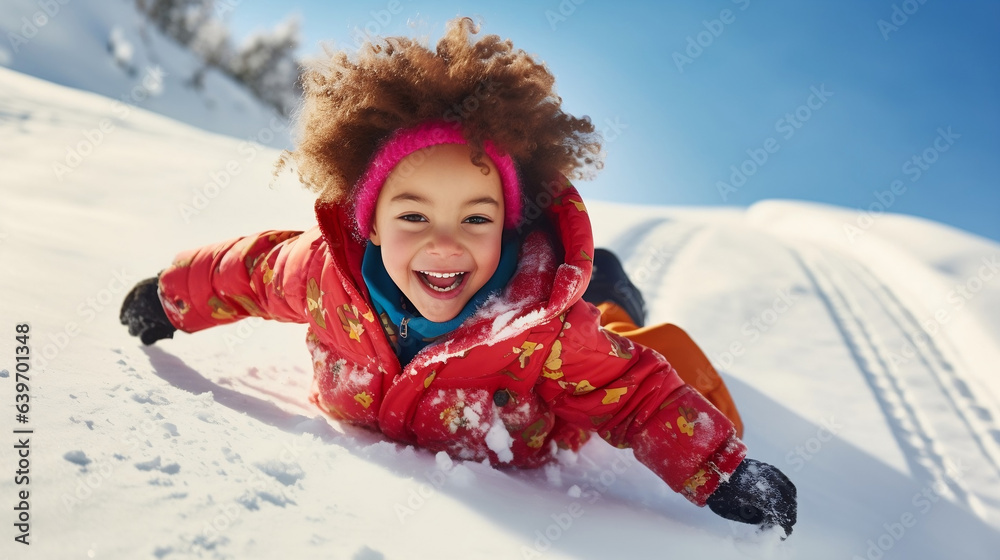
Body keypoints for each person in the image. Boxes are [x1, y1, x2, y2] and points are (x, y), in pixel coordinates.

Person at [120, 17, 796, 536]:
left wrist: (722, 471)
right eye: (414, 215)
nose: (445, 245)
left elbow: (633, 394)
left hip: (567, 380)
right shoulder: (328, 279)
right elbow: (250, 271)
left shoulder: (542, 332)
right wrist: (170, 298)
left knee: (630, 335)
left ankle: (610, 287)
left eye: (476, 219)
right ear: (370, 223)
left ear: (508, 225)